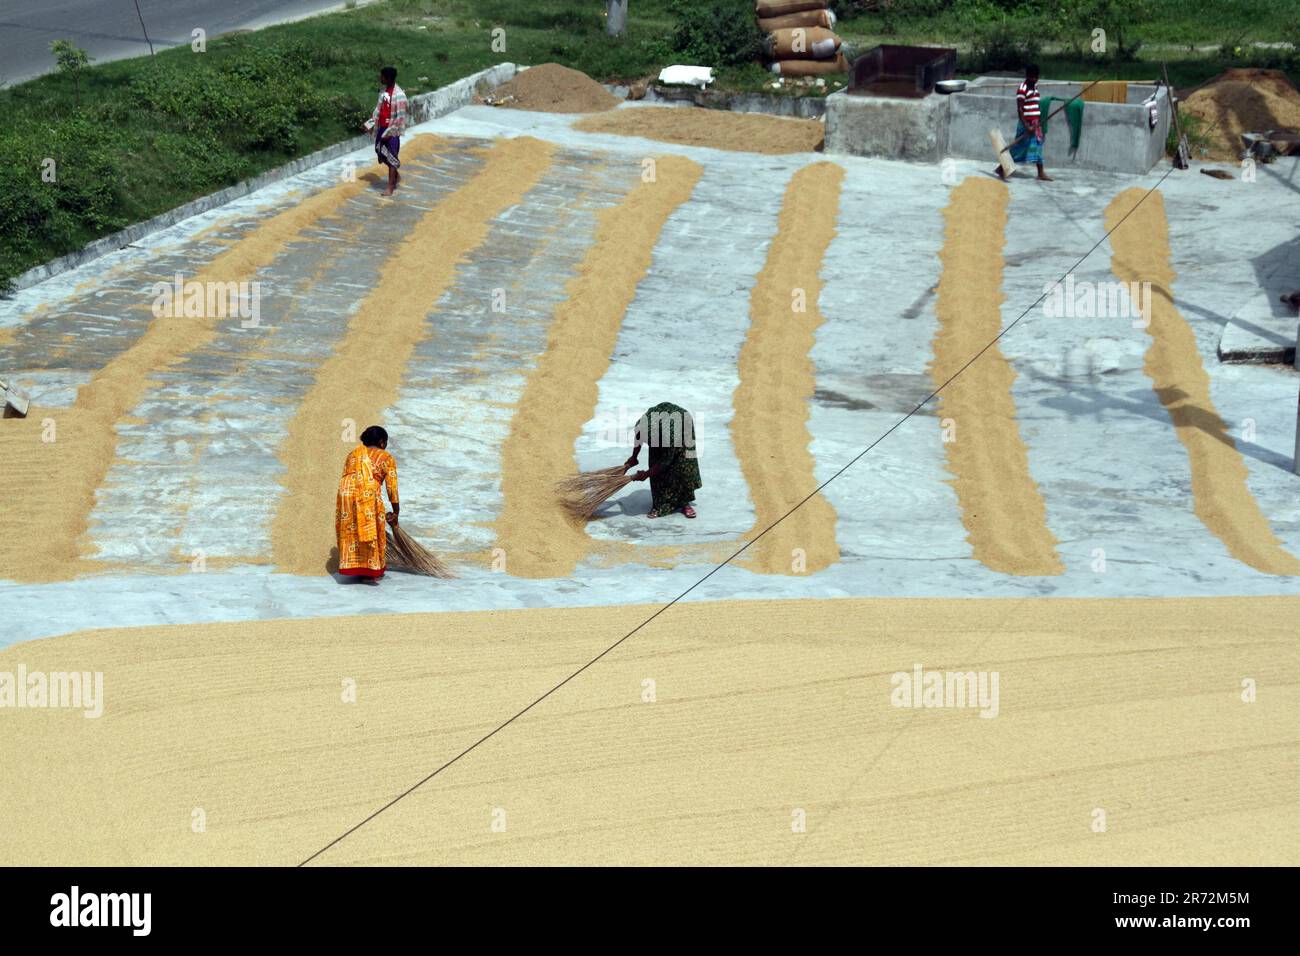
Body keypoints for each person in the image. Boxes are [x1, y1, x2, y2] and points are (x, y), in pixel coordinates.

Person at [336, 426, 400, 582]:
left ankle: (354, 565)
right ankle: (369, 571)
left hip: (345, 493)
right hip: (366, 492)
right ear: (382, 442)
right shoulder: (386, 457)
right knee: (370, 526)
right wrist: (396, 511)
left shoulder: (352, 455)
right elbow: (392, 487)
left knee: (351, 527)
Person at [624, 402, 702, 519]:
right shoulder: (643, 424)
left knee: (682, 466)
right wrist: (634, 456)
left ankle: (684, 503)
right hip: (663, 428)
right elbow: (638, 436)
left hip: (683, 426)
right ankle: (658, 504)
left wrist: (646, 474)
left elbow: (665, 462)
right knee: (655, 459)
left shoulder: (671, 436)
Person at [993, 63, 1052, 183]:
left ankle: (1040, 173)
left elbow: (1035, 105)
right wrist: (1027, 126)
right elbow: (1020, 110)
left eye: (1036, 77)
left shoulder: (1035, 87)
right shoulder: (1022, 89)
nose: (1034, 79)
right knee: (1018, 148)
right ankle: (1001, 168)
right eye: (1032, 77)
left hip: (1035, 124)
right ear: (1027, 76)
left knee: (1038, 148)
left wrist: (1038, 122)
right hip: (1026, 124)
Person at [363, 66, 408, 197]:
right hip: (381, 128)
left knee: (392, 157)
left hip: (392, 130)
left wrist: (389, 133)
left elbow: (400, 118)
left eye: (382, 76)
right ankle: (395, 176)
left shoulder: (399, 95)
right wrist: (369, 124)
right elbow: (378, 111)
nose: (380, 78)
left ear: (387, 78)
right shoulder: (384, 93)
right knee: (380, 151)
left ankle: (390, 187)